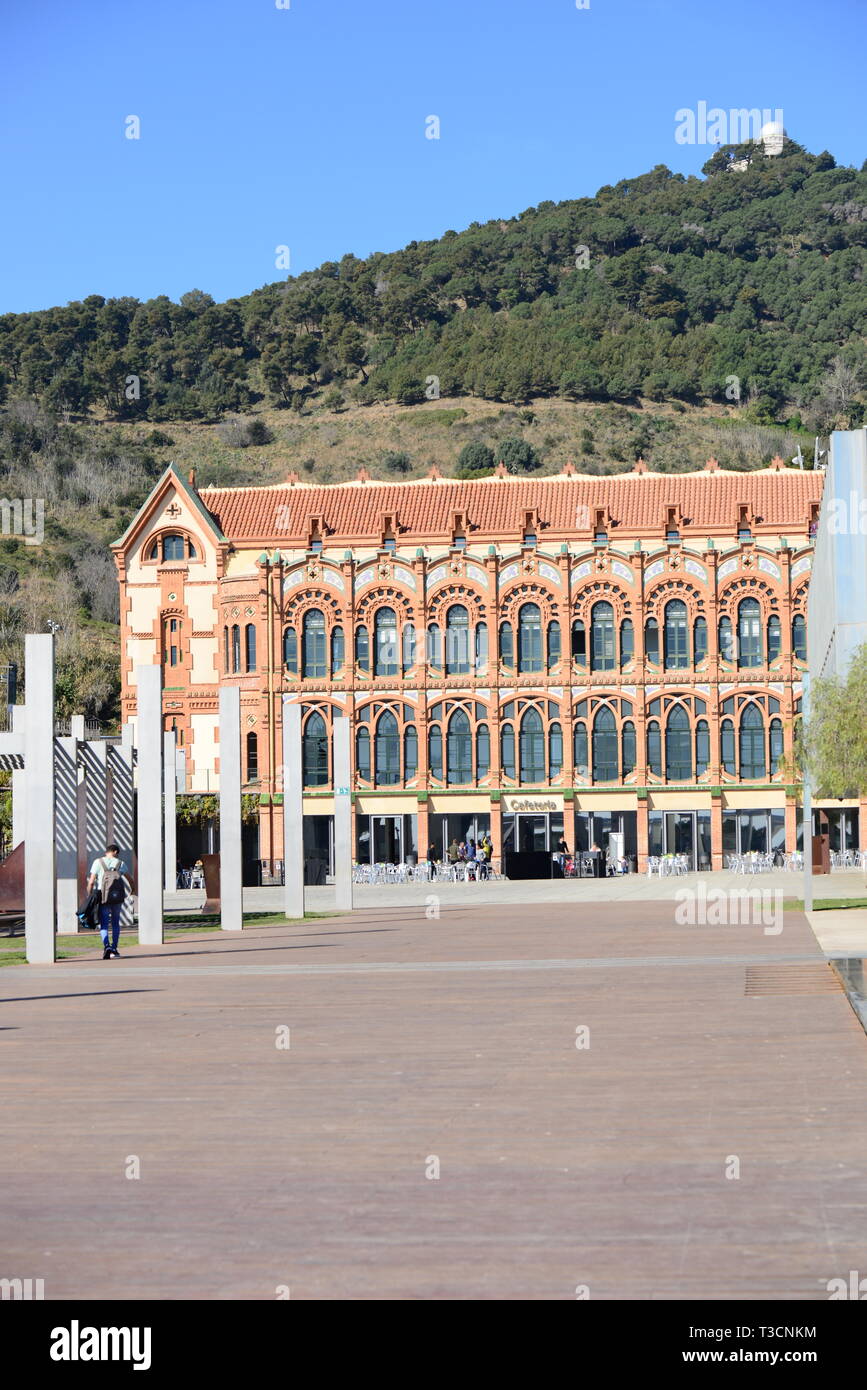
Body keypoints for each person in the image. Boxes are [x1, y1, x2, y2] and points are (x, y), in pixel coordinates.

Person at [87, 842, 132, 960]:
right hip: (117, 898)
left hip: (103, 897)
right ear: (116, 852)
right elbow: (130, 880)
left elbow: (91, 882)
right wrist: (133, 891)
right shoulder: (121, 863)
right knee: (116, 923)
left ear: (106, 851)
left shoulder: (98, 862)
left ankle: (106, 946)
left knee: (104, 924)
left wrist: (90, 895)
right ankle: (115, 948)